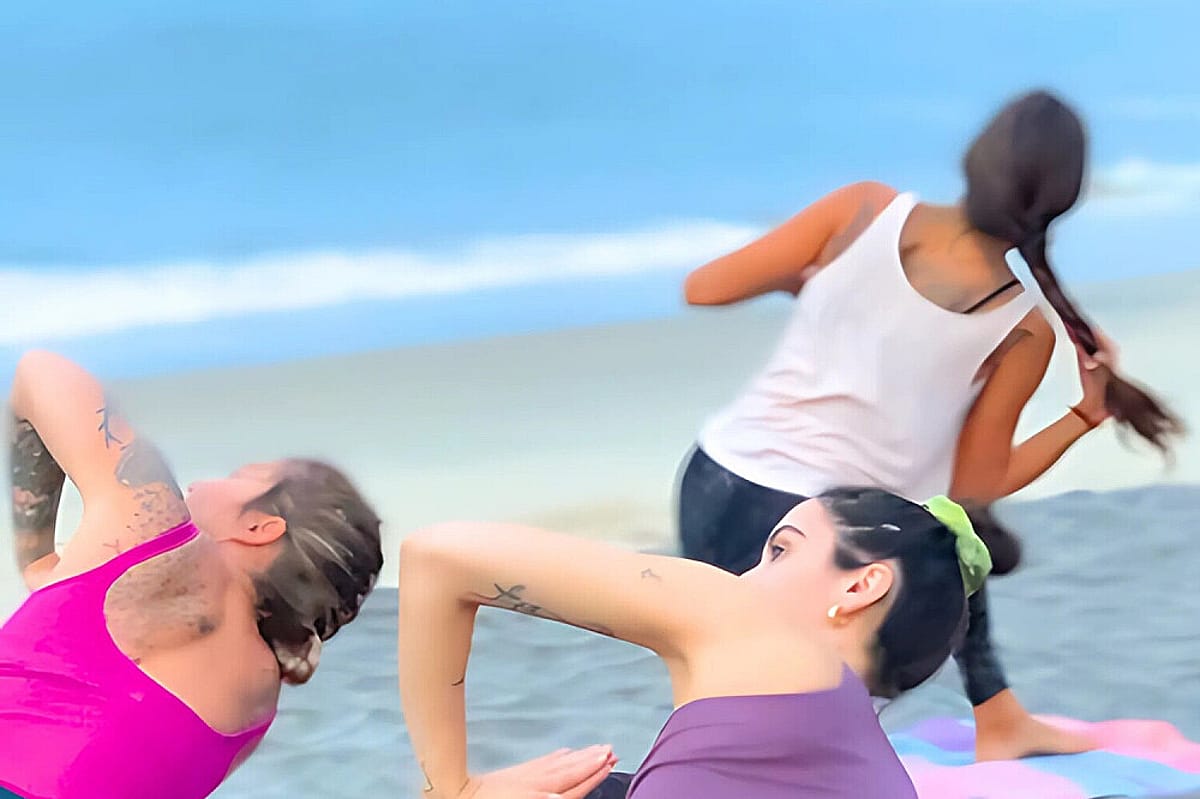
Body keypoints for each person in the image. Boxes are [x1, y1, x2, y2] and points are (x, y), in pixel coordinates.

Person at [674, 89, 1182, 760]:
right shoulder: (1021, 328)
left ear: (975, 162)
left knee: (718, 688)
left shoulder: (862, 209)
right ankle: (998, 718)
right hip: (824, 532)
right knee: (945, 538)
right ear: (1059, 202)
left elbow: (703, 288)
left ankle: (999, 717)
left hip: (715, 481)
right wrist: (1083, 417)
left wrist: (809, 281)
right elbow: (975, 487)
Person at [398, 487, 995, 799]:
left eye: (780, 551)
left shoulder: (751, 629)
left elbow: (436, 557)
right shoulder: (879, 775)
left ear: (864, 585)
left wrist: (453, 788)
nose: (743, 577)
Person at [0, 351, 384, 799]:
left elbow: (40, 372)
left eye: (238, 477)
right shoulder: (258, 699)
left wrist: (36, 557)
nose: (201, 485)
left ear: (259, 527)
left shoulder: (159, 539)